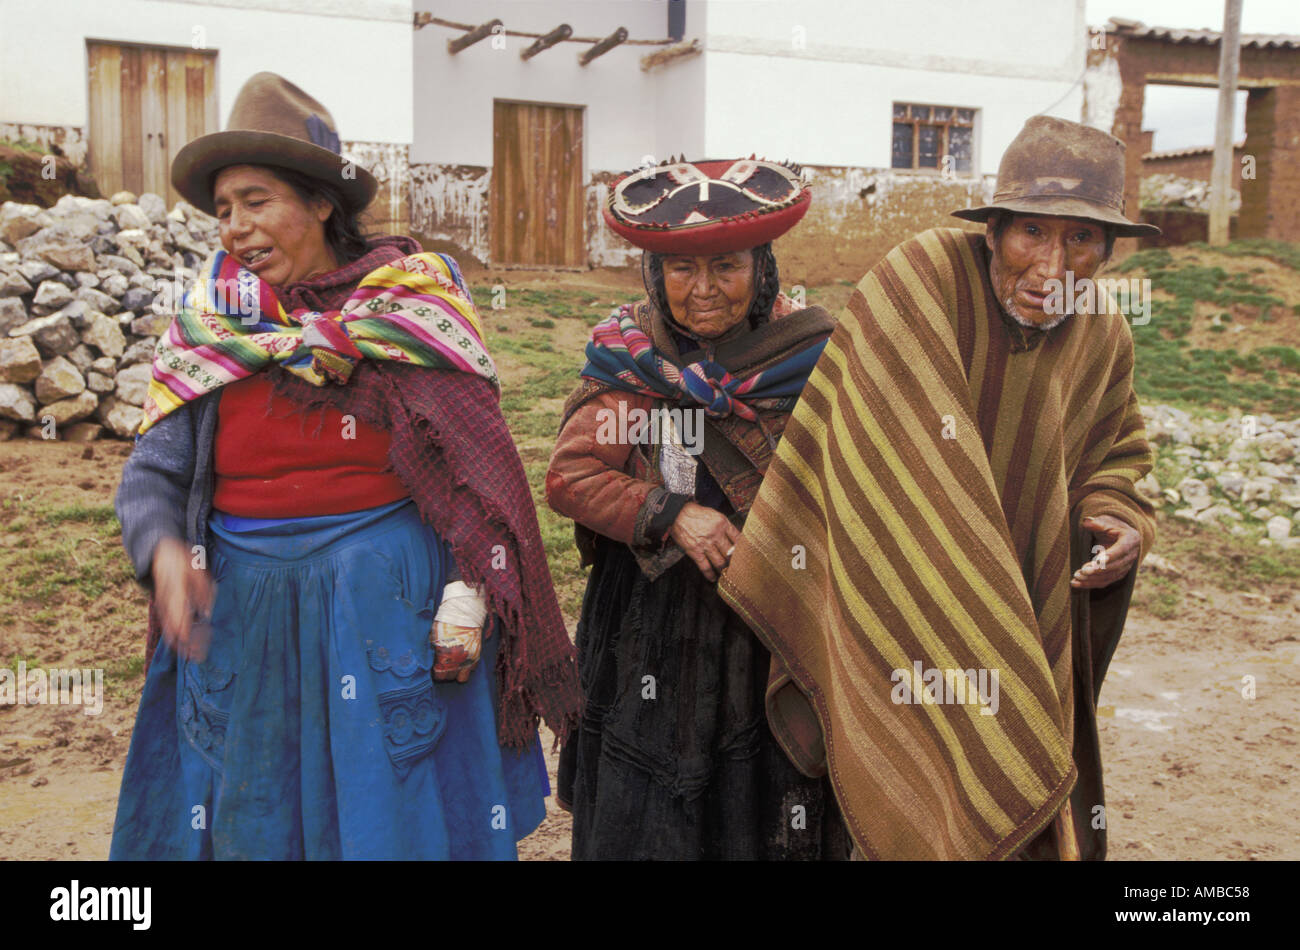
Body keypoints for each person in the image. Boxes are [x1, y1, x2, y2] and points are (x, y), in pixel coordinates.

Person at [109, 72, 579, 860]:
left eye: (257, 202)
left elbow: (478, 475)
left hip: (381, 613)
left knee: (388, 822)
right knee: (249, 821)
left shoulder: (407, 306)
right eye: (224, 210)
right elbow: (153, 470)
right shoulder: (209, 326)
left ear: (322, 202)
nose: (235, 228)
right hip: (243, 614)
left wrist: (469, 595)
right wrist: (160, 548)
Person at [719, 116, 1161, 861]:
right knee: (903, 780)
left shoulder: (1102, 330)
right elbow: (887, 465)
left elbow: (1113, 448)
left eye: (1081, 241)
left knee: (1008, 779)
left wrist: (1117, 519)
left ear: (1108, 252)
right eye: (1030, 233)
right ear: (992, 231)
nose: (1052, 267)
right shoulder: (924, 279)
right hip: (897, 586)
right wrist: (958, 594)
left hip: (1024, 600)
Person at [545, 158, 851, 859]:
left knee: (764, 796)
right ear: (655, 275)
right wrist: (669, 511)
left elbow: (850, 483)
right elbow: (571, 476)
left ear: (762, 267)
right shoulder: (631, 363)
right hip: (652, 622)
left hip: (769, 618)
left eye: (725, 266)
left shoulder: (811, 359)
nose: (703, 289)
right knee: (651, 805)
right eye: (680, 269)